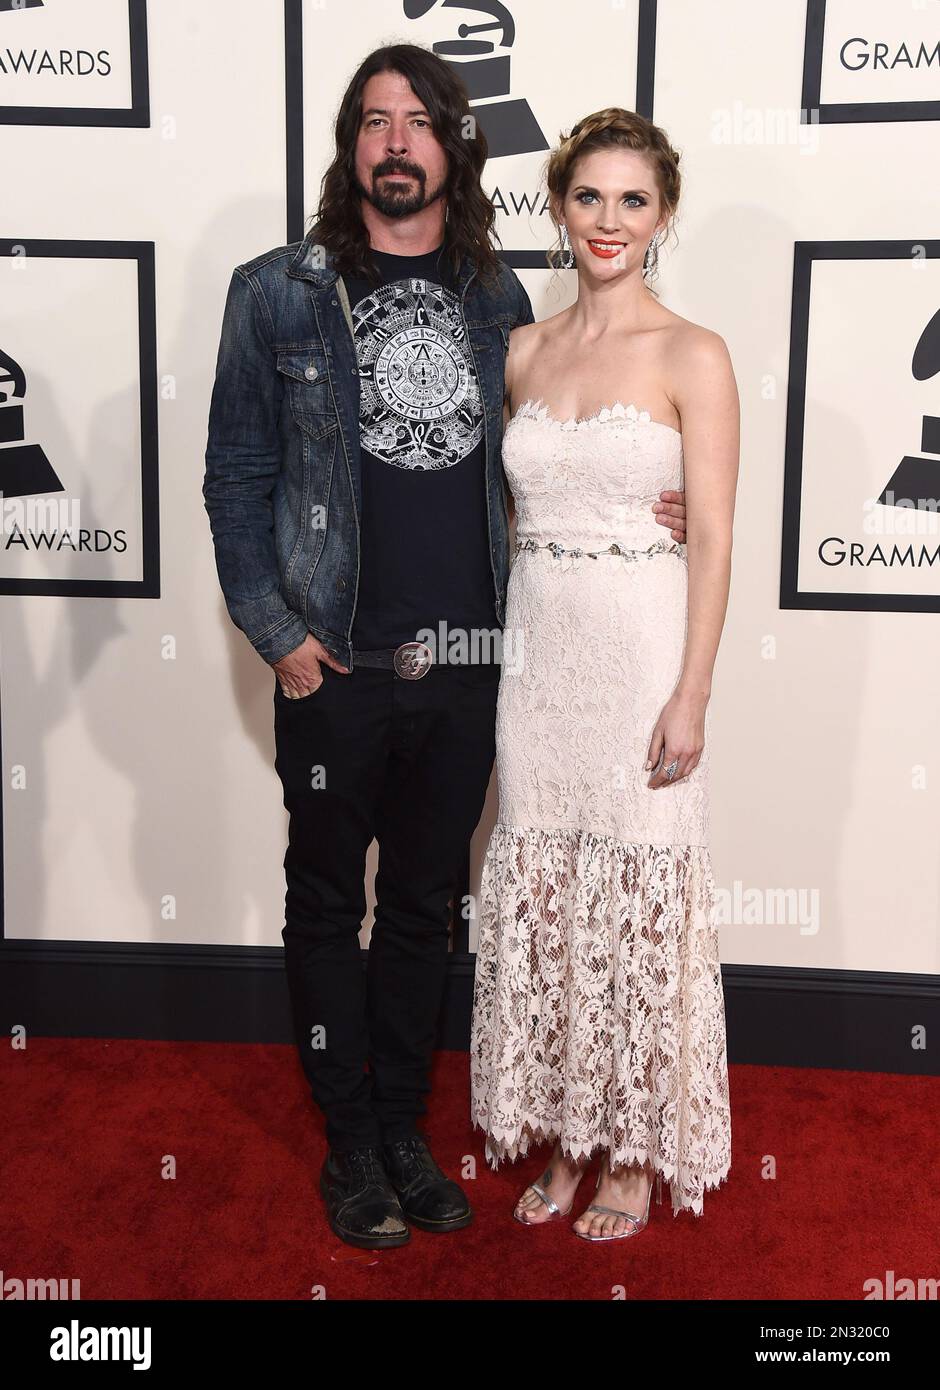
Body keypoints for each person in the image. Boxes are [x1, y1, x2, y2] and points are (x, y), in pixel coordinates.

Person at [203, 48, 688, 1250]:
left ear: (452, 147)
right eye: (375, 123)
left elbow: (550, 461)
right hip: (337, 661)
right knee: (326, 904)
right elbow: (235, 477)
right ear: (348, 145)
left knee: (426, 905)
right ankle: (350, 1140)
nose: (397, 143)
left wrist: (646, 509)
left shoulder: (496, 300)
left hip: (473, 662)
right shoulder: (274, 290)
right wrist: (280, 636)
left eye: (419, 122)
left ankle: (407, 1129)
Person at [470, 108, 737, 1239]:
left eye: (633, 200)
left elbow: (717, 536)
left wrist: (693, 693)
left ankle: (630, 1152)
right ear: (558, 207)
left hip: (638, 652)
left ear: (663, 214)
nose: (609, 220)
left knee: (635, 891)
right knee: (543, 892)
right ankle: (567, 1136)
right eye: (589, 197)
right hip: (537, 655)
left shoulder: (693, 352)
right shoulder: (524, 348)